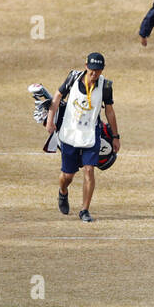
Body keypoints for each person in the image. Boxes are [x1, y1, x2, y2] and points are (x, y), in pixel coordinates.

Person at [44, 52, 121, 223]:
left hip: (90, 136)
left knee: (89, 170)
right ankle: (63, 192)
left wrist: (115, 136)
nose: (95, 74)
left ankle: (84, 210)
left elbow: (109, 111)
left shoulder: (105, 86)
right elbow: (57, 97)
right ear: (86, 66)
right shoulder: (73, 77)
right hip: (70, 134)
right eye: (92, 70)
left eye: (98, 71)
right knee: (67, 176)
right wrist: (50, 120)